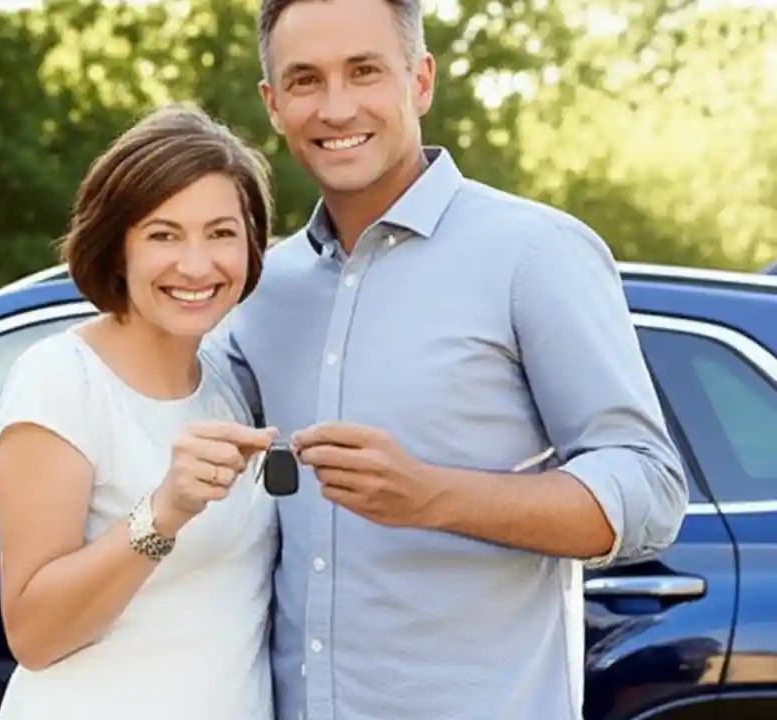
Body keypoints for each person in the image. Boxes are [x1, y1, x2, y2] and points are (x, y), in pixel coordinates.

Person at [207, 0, 692, 718]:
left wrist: (431, 495)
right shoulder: (260, 289)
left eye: (364, 71)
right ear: (274, 105)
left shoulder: (536, 254)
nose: (336, 107)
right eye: (305, 81)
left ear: (421, 80)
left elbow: (649, 487)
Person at [0, 103, 281, 720]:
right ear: (116, 246)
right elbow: (33, 634)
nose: (196, 265)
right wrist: (164, 513)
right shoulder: (61, 381)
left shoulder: (230, 382)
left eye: (221, 233)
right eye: (163, 234)